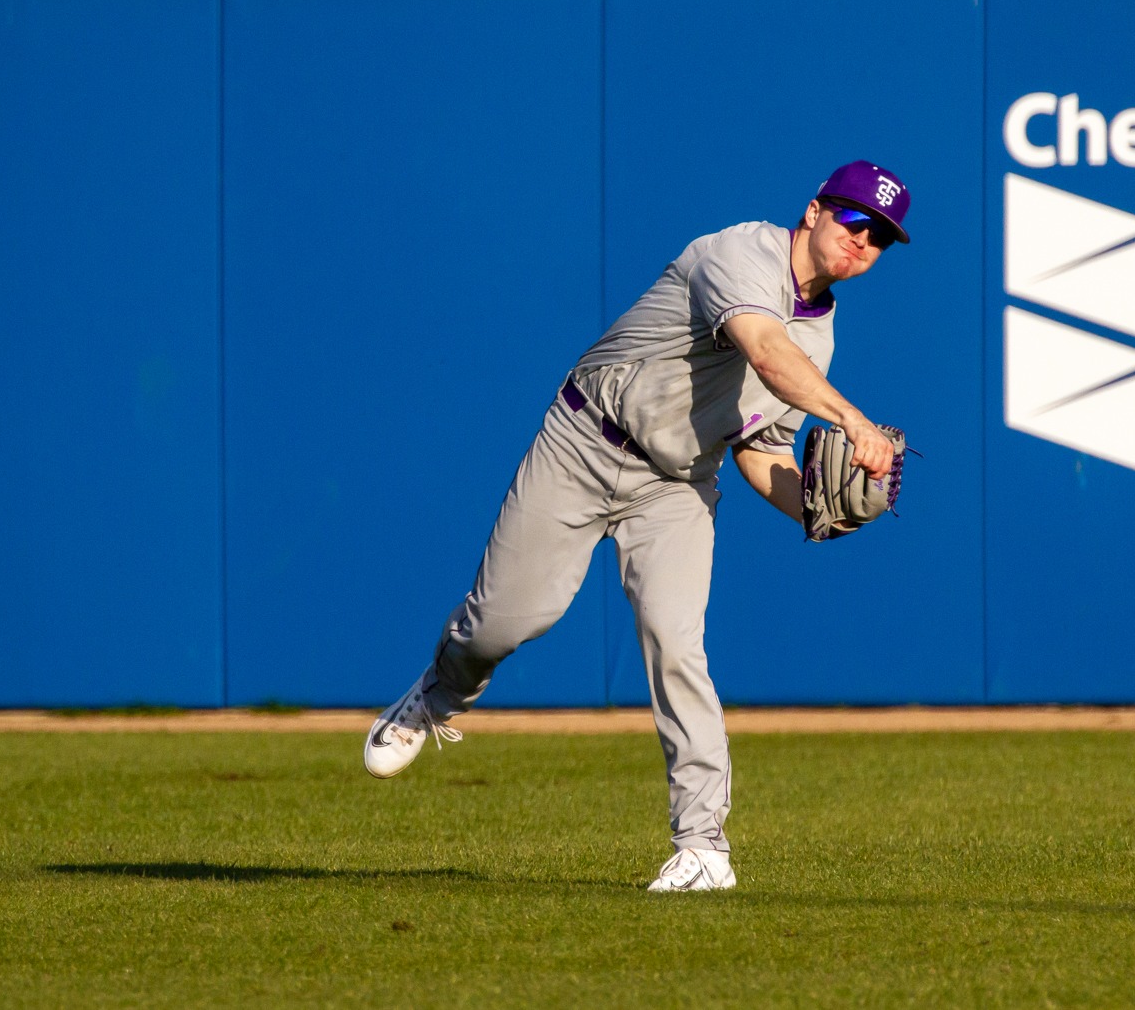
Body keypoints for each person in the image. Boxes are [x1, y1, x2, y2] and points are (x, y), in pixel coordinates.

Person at [362, 160, 912, 892]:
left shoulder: (822, 342)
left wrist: (818, 504)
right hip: (586, 441)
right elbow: (766, 354)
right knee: (506, 620)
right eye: (854, 221)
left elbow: (760, 447)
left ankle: (703, 846)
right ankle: (438, 693)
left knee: (677, 644)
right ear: (814, 211)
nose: (863, 241)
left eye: (880, 238)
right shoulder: (739, 253)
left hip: (678, 485)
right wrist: (850, 418)